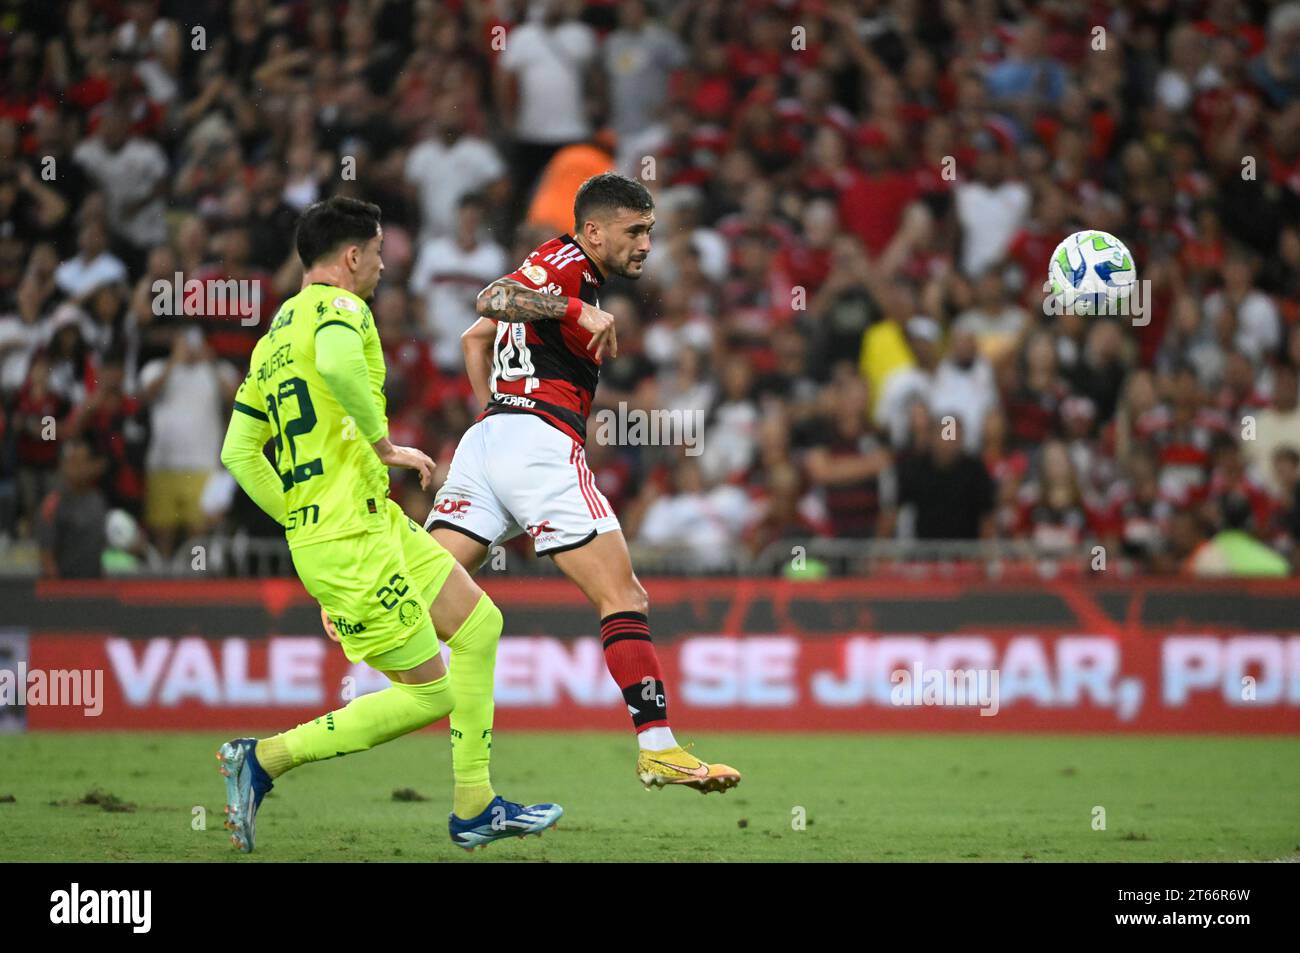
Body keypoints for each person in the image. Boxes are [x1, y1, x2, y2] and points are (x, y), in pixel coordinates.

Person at [217, 197, 559, 853]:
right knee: (430, 695)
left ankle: (475, 805)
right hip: (353, 540)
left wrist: (302, 516)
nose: (381, 266)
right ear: (351, 256)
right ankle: (262, 759)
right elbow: (345, 368)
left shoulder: (273, 339)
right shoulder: (342, 308)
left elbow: (238, 450)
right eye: (377, 253)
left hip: (367, 525)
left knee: (481, 625)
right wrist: (384, 445)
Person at [431, 173, 740, 792]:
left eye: (650, 231)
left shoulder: (557, 265)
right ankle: (658, 747)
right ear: (593, 230)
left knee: (420, 592)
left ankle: (342, 619)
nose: (647, 244)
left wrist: (497, 414)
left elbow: (475, 341)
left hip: (491, 438)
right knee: (623, 596)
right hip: (538, 443)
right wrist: (577, 311)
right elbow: (488, 303)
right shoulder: (566, 263)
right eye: (635, 231)